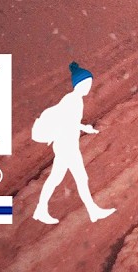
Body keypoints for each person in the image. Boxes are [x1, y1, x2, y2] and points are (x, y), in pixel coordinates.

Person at [31, 62, 115, 224]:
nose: (89, 86)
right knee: (78, 178)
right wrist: (84, 128)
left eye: (90, 82)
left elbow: (69, 121)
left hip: (66, 144)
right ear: (79, 84)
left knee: (58, 178)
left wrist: (83, 128)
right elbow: (68, 122)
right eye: (87, 83)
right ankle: (92, 211)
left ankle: (42, 209)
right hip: (66, 146)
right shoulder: (73, 100)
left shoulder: (73, 99)